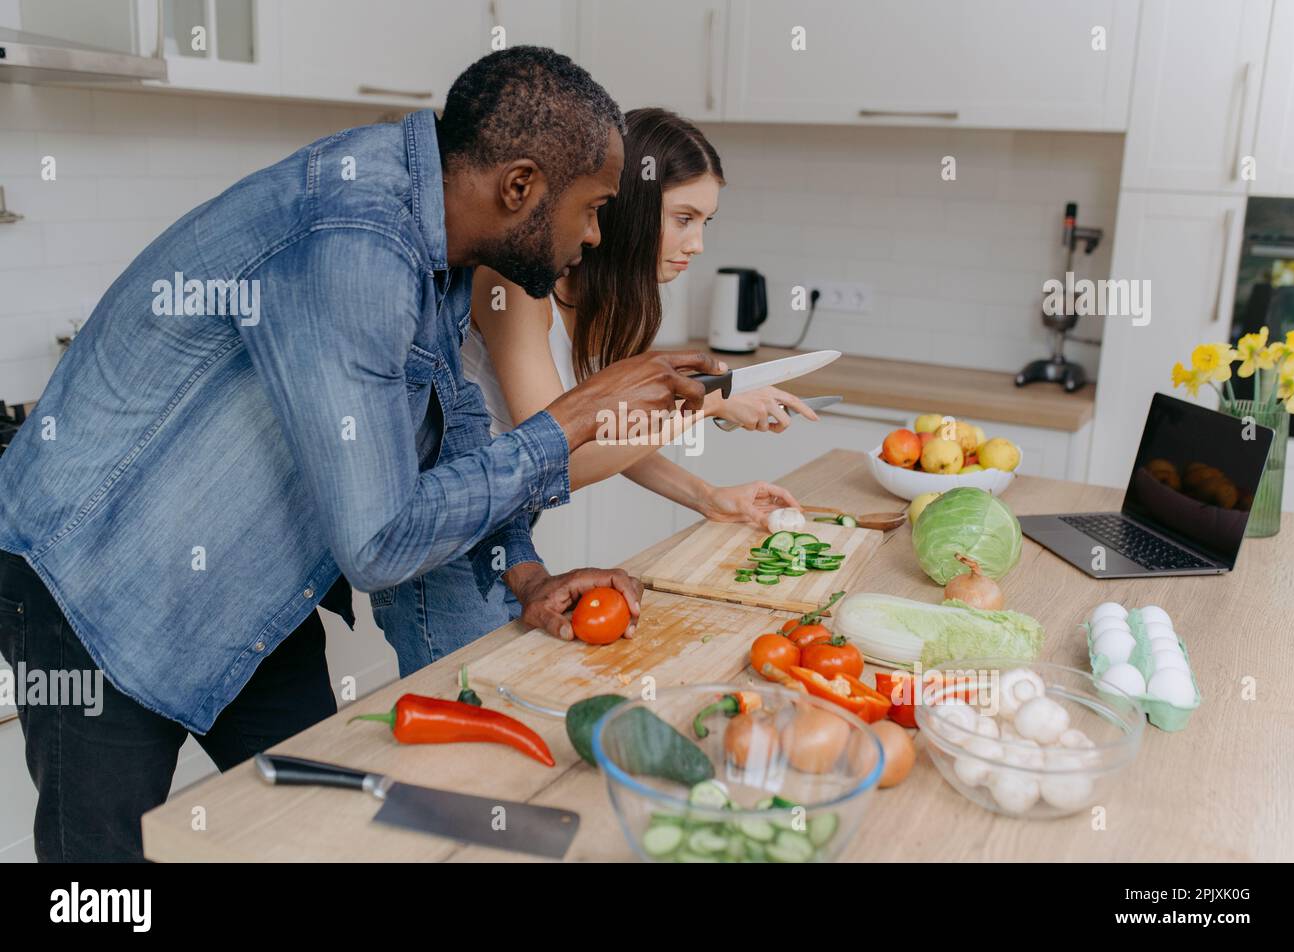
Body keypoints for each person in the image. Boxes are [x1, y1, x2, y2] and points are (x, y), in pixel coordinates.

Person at [0, 46, 725, 862]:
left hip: (246, 585)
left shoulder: (438, 233)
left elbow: (447, 426)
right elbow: (380, 540)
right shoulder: (356, 244)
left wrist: (526, 574)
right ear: (520, 186)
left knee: (321, 823)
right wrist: (575, 417)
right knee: (102, 877)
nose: (596, 234)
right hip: (95, 586)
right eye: (591, 208)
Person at [375, 108, 815, 676]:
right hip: (444, 543)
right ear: (627, 210)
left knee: (503, 691)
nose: (697, 243)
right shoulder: (519, 285)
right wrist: (704, 403)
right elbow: (557, 452)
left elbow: (603, 431)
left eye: (707, 222)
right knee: (469, 705)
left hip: (505, 532)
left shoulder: (598, 298)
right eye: (683, 218)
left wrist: (709, 496)